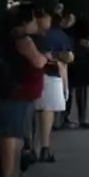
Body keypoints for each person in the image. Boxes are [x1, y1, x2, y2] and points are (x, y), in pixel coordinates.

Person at [0, 3, 47, 177]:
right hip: (18, 91)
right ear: (24, 22)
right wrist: (47, 57)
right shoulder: (23, 40)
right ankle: (9, 174)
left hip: (11, 89)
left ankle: (10, 172)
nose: (36, 23)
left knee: (12, 132)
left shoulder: (3, 36)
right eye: (32, 18)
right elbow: (38, 61)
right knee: (12, 134)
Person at [31, 10, 74, 162]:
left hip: (33, 75)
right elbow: (69, 57)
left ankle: (34, 148)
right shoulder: (59, 35)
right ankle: (44, 147)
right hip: (51, 76)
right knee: (47, 111)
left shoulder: (32, 36)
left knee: (37, 112)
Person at [66, 15, 89, 128]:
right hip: (82, 64)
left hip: (71, 63)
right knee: (81, 91)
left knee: (68, 91)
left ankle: (66, 116)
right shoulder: (85, 39)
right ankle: (82, 118)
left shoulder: (70, 34)